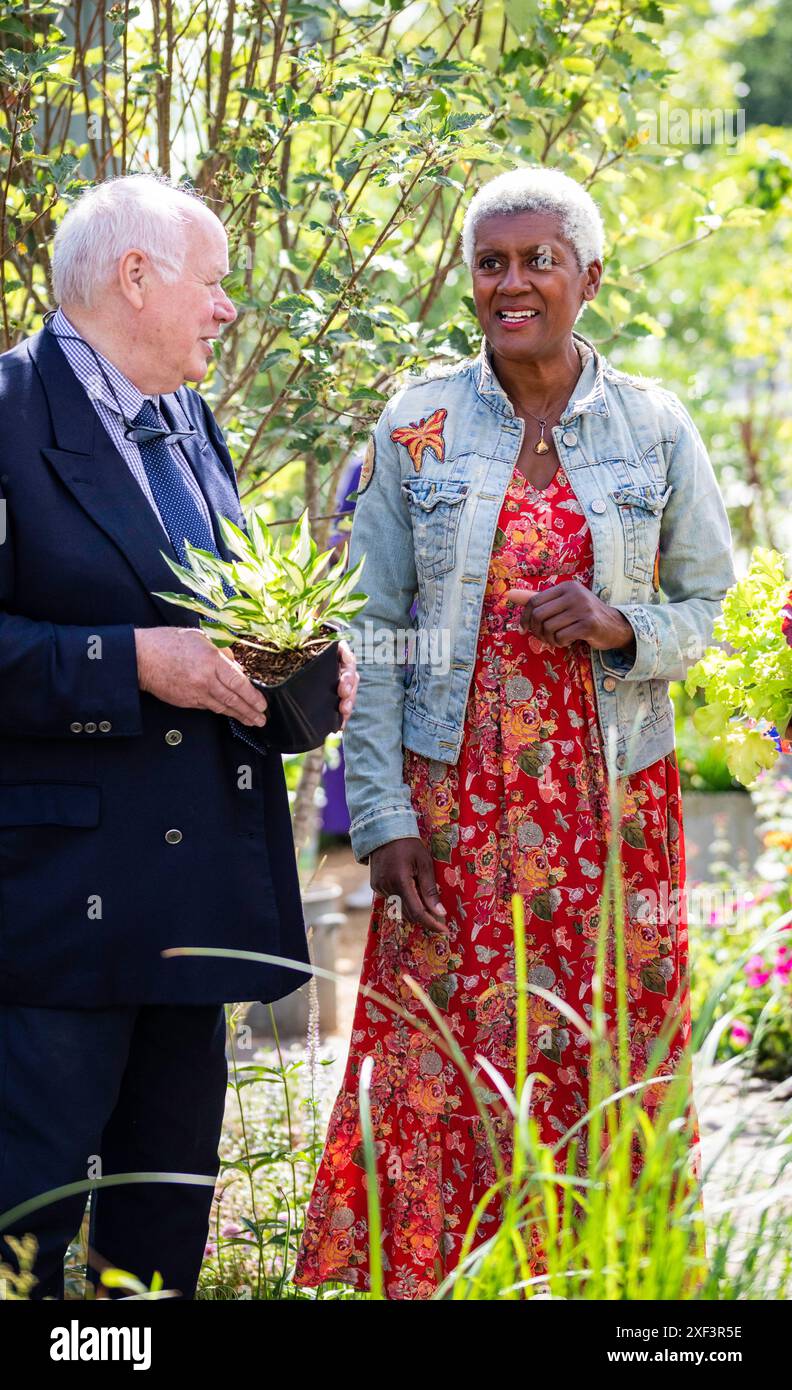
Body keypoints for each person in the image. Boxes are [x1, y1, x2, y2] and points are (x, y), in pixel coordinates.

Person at [294, 166, 736, 1299]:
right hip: (453, 811)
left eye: (541, 260)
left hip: (610, 805)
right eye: (492, 263)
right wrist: (381, 815)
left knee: (604, 1047)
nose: (514, 282)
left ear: (592, 277)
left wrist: (622, 624)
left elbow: (714, 607)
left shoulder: (655, 424)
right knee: (442, 1059)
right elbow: (373, 629)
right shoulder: (419, 424)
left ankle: (604, 1290)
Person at [0, 173, 358, 1299]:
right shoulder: (8, 410)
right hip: (51, 909)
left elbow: (211, 614)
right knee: (25, 1221)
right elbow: (127, 642)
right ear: (135, 276)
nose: (226, 308)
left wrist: (300, 670)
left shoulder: (189, 421)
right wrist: (131, 663)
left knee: (160, 1227)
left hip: (189, 900)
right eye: (212, 282)